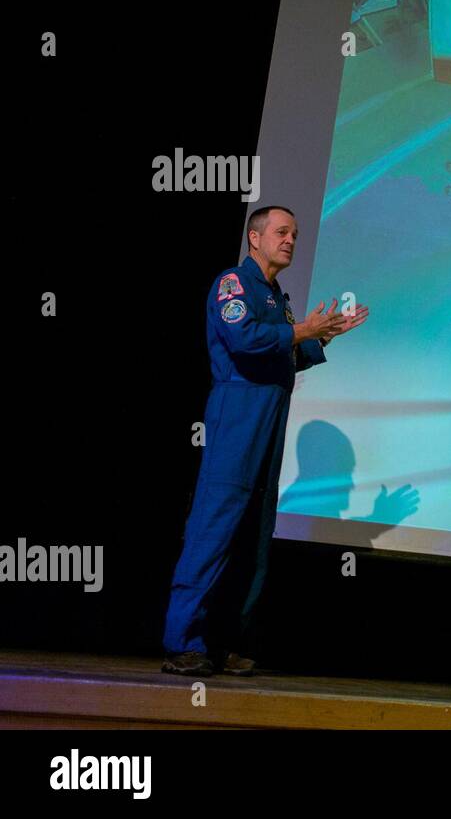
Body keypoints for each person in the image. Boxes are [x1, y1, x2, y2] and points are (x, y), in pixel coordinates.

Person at [161, 206, 369, 676]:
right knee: (214, 529)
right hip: (239, 416)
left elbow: (281, 356)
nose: (291, 239)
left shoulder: (276, 296)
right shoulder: (233, 284)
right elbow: (246, 342)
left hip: (270, 417)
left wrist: (321, 337)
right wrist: (301, 331)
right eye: (281, 232)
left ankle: (226, 642)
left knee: (254, 536)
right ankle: (183, 641)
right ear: (254, 238)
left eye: (294, 233)